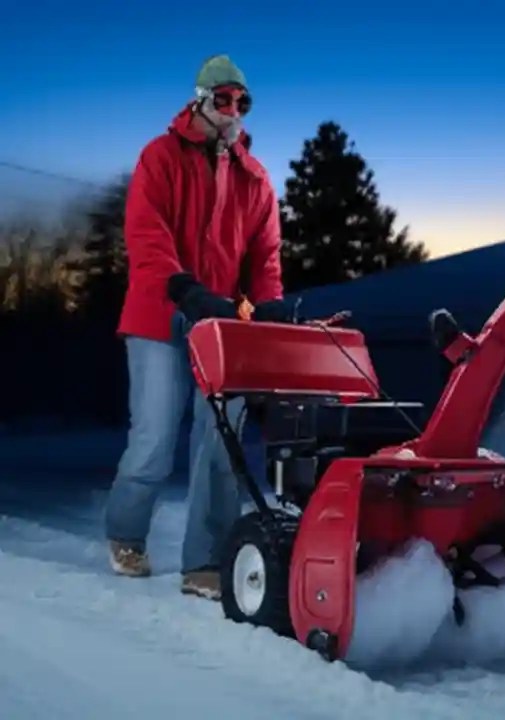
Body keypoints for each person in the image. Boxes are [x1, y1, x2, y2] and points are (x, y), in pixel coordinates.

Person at [103, 54, 294, 600]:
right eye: (222, 100)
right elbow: (146, 232)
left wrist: (268, 304)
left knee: (221, 441)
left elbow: (265, 257)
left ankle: (206, 562)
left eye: (241, 102)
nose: (232, 111)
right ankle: (126, 533)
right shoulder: (160, 156)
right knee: (155, 436)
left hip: (221, 325)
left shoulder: (255, 178)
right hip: (160, 312)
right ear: (200, 101)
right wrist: (182, 286)